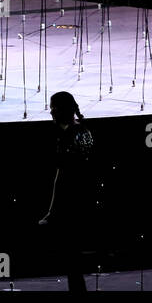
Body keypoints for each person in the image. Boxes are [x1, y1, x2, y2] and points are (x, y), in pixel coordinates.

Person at [39, 91, 95, 292]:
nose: (51, 112)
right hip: (84, 199)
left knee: (72, 257)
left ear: (62, 110)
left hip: (72, 204)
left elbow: (62, 177)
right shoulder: (83, 131)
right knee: (74, 258)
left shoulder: (68, 136)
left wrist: (52, 212)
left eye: (53, 108)